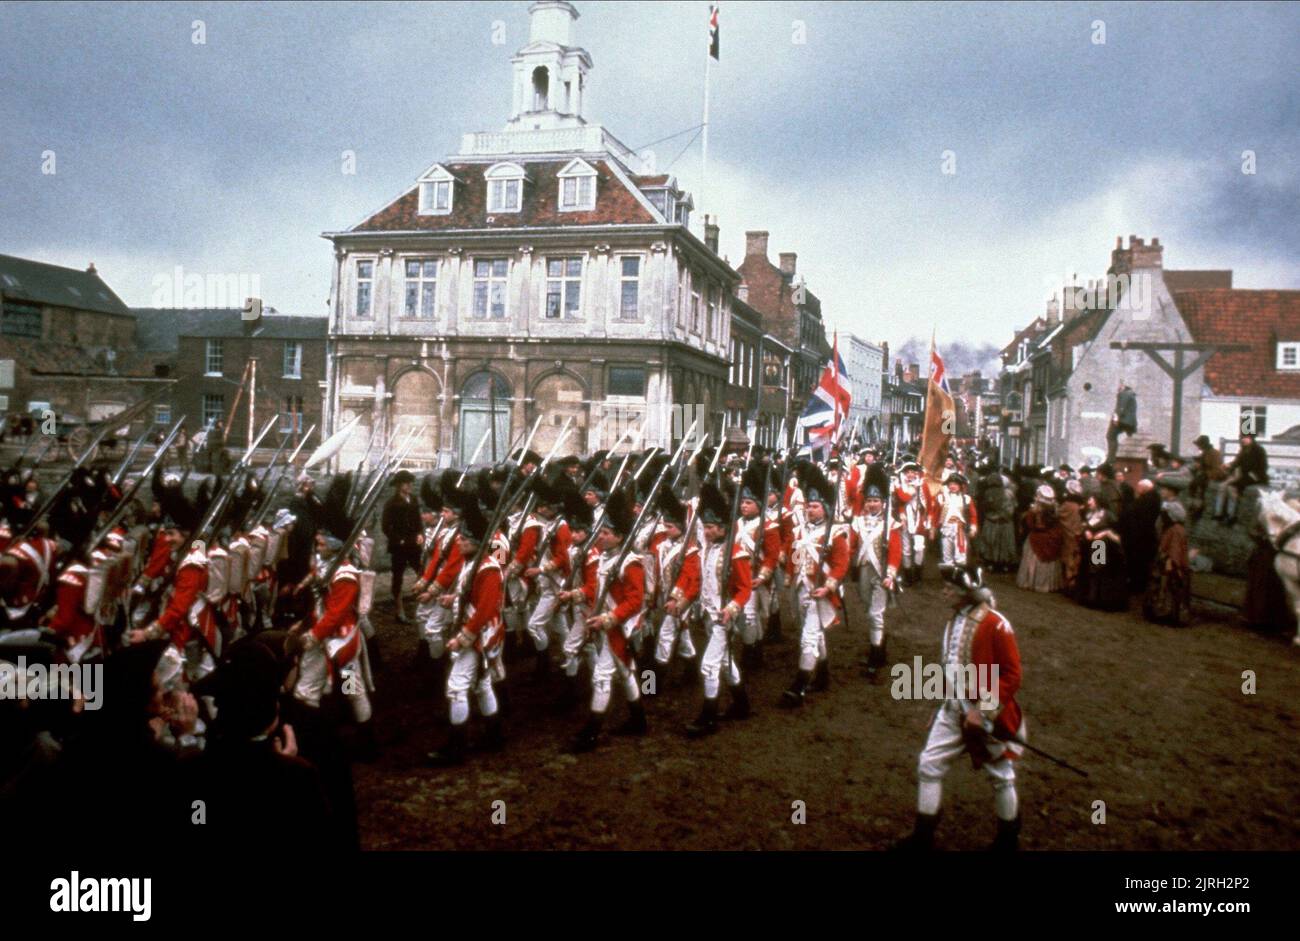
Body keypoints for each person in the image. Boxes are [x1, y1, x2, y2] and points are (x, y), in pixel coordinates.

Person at [895, 569, 1024, 851]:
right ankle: (923, 837)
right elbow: (951, 668)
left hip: (988, 717)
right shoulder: (954, 619)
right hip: (953, 709)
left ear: (966, 593)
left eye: (949, 587)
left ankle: (1008, 839)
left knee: (1001, 775)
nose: (944, 591)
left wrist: (983, 711)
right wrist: (941, 704)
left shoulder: (996, 624)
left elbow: (1012, 675)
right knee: (929, 764)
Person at [427, 497, 507, 766]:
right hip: (477, 631)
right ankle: (494, 735)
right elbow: (472, 596)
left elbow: (485, 610)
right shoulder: (472, 564)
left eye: (463, 539)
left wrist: (463, 638)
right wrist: (454, 600)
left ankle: (456, 747)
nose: (458, 542)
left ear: (476, 542)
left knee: (456, 687)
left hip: (479, 635)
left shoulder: (488, 568)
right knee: (482, 685)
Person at [570, 485, 647, 752]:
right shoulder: (606, 557)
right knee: (625, 673)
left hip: (621, 625)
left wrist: (611, 618)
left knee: (603, 676)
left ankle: (592, 730)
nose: (600, 537)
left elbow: (636, 600)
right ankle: (639, 718)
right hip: (607, 621)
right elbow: (598, 590)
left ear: (619, 536)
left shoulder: (630, 562)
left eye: (605, 533)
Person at [683, 481, 753, 738]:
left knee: (709, 665)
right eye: (705, 527)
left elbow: (745, 589)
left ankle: (708, 716)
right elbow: (698, 583)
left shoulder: (735, 554)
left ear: (723, 528)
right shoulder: (704, 552)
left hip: (726, 618)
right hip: (708, 615)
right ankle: (742, 703)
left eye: (711, 527)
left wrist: (732, 608)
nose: (706, 531)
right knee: (725, 663)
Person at [781, 462, 850, 708]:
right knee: (811, 631)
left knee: (809, 637)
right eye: (809, 506)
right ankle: (822, 674)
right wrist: (789, 575)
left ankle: (798, 687)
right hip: (802, 588)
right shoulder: (800, 531)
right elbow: (794, 556)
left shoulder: (835, 533)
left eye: (815, 506)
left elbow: (842, 564)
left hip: (820, 591)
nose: (810, 510)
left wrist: (829, 587)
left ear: (826, 508)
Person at [849, 464, 901, 681]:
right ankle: (880, 642)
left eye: (876, 501)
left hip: (881, 574)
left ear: (883, 503)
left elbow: (896, 552)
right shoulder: (858, 522)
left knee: (875, 614)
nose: (872, 504)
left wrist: (890, 574)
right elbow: (851, 546)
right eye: (869, 501)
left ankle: (875, 654)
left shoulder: (891, 524)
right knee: (868, 607)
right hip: (863, 571)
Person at [381, 470, 422, 624]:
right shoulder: (391, 503)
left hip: (413, 544)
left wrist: (420, 533)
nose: (409, 486)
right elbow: (386, 527)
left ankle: (421, 604)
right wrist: (399, 540)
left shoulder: (414, 499)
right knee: (398, 577)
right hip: (399, 546)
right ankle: (400, 611)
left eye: (410, 483)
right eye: (406, 483)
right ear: (399, 486)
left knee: (421, 572)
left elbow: (418, 520)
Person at [1075, 497, 1128, 611]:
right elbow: (1085, 525)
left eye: (1092, 500)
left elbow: (1115, 531)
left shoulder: (1108, 515)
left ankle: (1096, 599)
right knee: (1089, 570)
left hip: (1100, 545)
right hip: (1089, 545)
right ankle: (1087, 596)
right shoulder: (1090, 513)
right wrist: (1086, 531)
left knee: (1097, 570)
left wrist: (1104, 533)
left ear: (1098, 502)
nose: (1089, 503)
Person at [1144, 501, 1192, 626]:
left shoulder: (1175, 530)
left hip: (1169, 565)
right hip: (1167, 562)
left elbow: (1174, 549)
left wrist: (1170, 563)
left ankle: (1165, 614)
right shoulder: (1176, 529)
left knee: (1167, 589)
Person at [1215, 432, 1269, 524]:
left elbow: (1263, 467)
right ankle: (1226, 514)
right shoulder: (1243, 450)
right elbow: (1237, 462)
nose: (1242, 440)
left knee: (1232, 487)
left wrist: (1252, 476)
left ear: (1251, 439)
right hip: (1246, 476)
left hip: (1256, 477)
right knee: (1229, 487)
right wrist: (1228, 467)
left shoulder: (1259, 450)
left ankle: (1231, 515)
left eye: (1245, 438)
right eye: (1241, 438)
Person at [1016, 486, 1063, 593]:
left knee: (1034, 558)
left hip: (1037, 537)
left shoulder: (1036, 510)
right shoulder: (1055, 509)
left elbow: (1032, 524)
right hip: (1053, 536)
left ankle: (1033, 581)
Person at [1122, 478, 1162, 594]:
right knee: (1139, 563)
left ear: (1145, 488)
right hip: (1140, 536)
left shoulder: (1147, 500)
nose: (1137, 489)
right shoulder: (1150, 498)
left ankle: (1137, 586)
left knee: (1139, 563)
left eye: (1139, 487)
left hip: (1140, 537)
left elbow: (1135, 514)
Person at [1106, 381, 1137, 462]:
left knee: (1110, 435)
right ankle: (1131, 454)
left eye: (1119, 387)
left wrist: (1116, 418)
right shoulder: (1131, 395)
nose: (1118, 389)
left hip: (1122, 420)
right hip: (1130, 423)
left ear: (1123, 387)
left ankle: (1111, 458)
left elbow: (1121, 408)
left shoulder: (1123, 394)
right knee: (1131, 438)